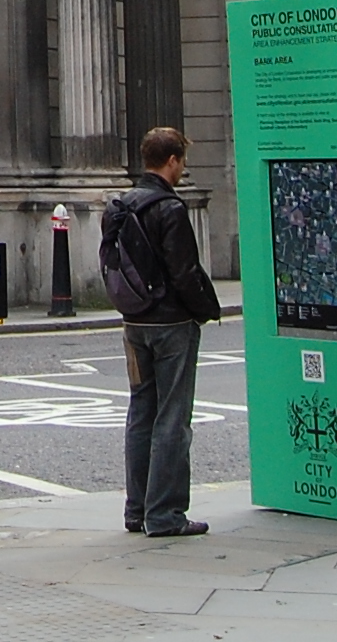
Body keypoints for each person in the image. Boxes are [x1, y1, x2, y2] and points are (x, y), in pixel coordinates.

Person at [107, 125, 222, 539]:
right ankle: (166, 514)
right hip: (171, 325)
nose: (182, 168)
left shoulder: (119, 206)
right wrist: (206, 309)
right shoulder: (170, 209)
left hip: (134, 323)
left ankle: (136, 509)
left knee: (141, 412)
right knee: (173, 417)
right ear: (172, 160)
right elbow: (184, 272)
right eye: (182, 160)